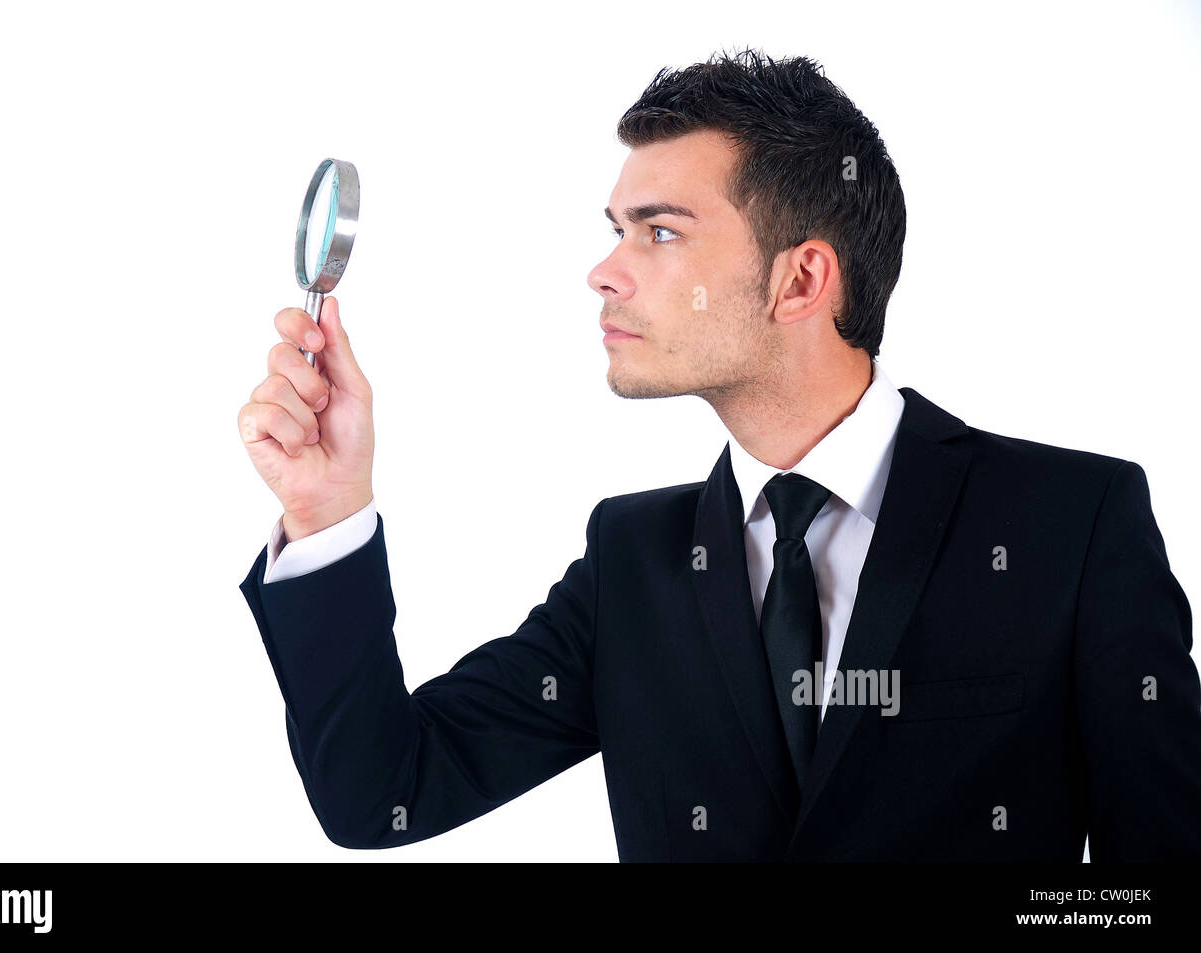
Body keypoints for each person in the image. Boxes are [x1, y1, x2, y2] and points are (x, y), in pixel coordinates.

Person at [236, 50, 1201, 861]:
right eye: (617, 231)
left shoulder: (1069, 523)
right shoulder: (634, 558)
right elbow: (385, 792)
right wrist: (328, 515)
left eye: (659, 231)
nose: (603, 270)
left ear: (801, 280)